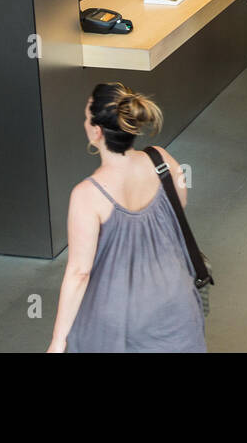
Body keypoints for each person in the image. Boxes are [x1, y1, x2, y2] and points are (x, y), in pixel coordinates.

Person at [48, 84, 205, 352]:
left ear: (96, 132)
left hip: (121, 319)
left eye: (87, 117)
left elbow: (79, 273)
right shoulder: (161, 159)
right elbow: (179, 206)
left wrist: (58, 341)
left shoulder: (87, 195)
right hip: (177, 304)